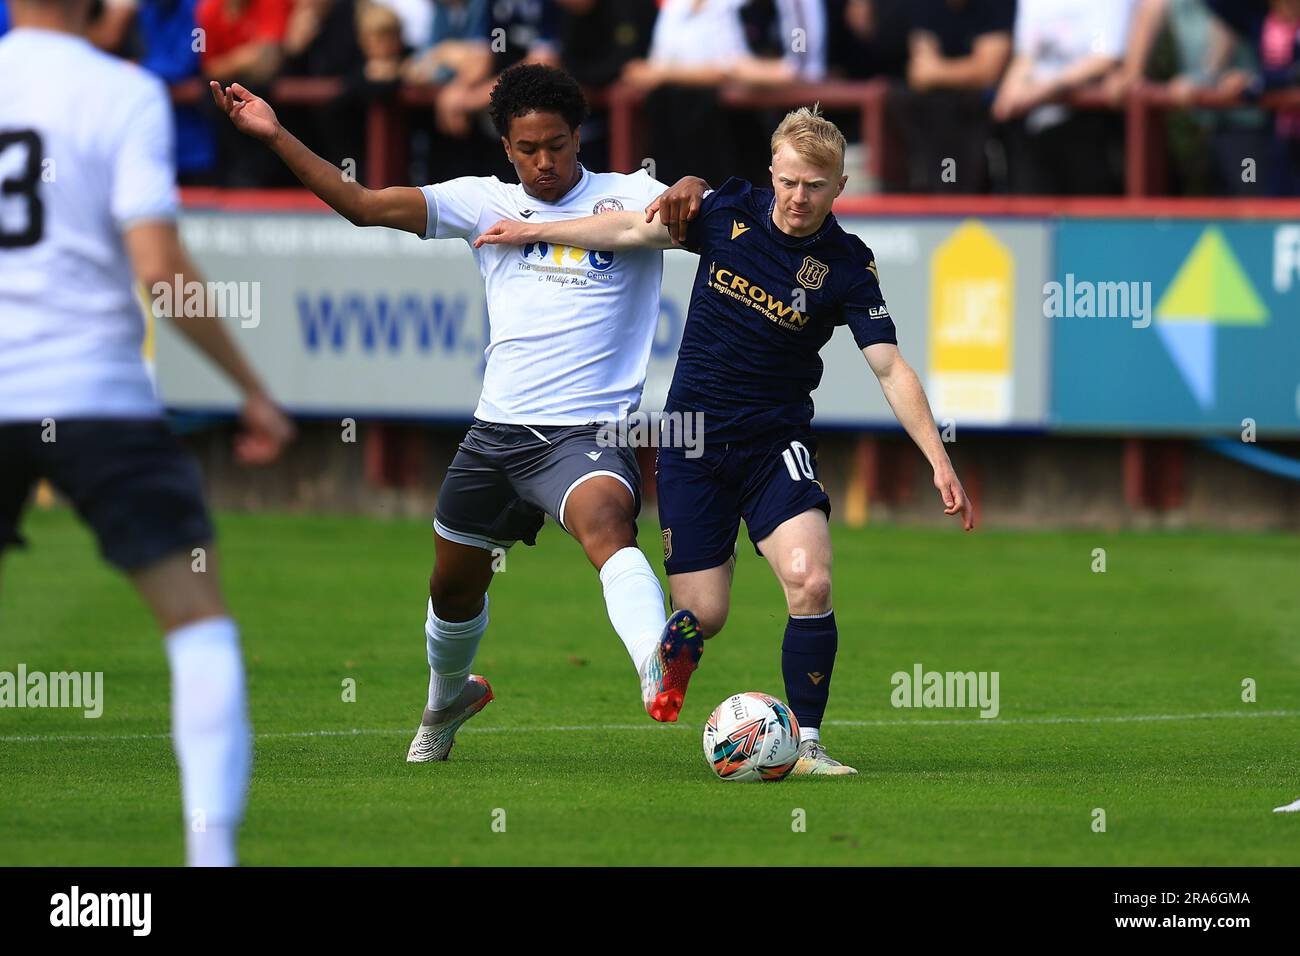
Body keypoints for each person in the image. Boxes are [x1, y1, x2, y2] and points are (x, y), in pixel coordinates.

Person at [210, 63, 712, 760]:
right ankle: (447, 699)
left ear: (579, 136)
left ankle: (656, 664)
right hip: (496, 435)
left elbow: (705, 208)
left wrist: (695, 188)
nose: (545, 162)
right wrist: (273, 133)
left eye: (559, 145)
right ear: (506, 146)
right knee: (452, 586)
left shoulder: (629, 194)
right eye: (528, 148)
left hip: (585, 433)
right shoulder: (480, 201)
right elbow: (361, 204)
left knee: (606, 523)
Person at [475, 106, 976, 775]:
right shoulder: (726, 213)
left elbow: (890, 366)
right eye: (791, 181)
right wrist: (536, 230)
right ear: (772, 173)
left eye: (816, 186)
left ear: (840, 186)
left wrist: (938, 460)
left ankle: (808, 746)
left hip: (775, 446)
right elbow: (629, 226)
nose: (801, 198)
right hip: (692, 446)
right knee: (704, 615)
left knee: (811, 581)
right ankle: (674, 652)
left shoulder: (848, 266)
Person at [0, 0, 295, 865]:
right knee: (196, 619)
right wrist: (250, 389)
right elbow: (159, 269)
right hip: (94, 390)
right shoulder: (124, 93)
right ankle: (211, 856)